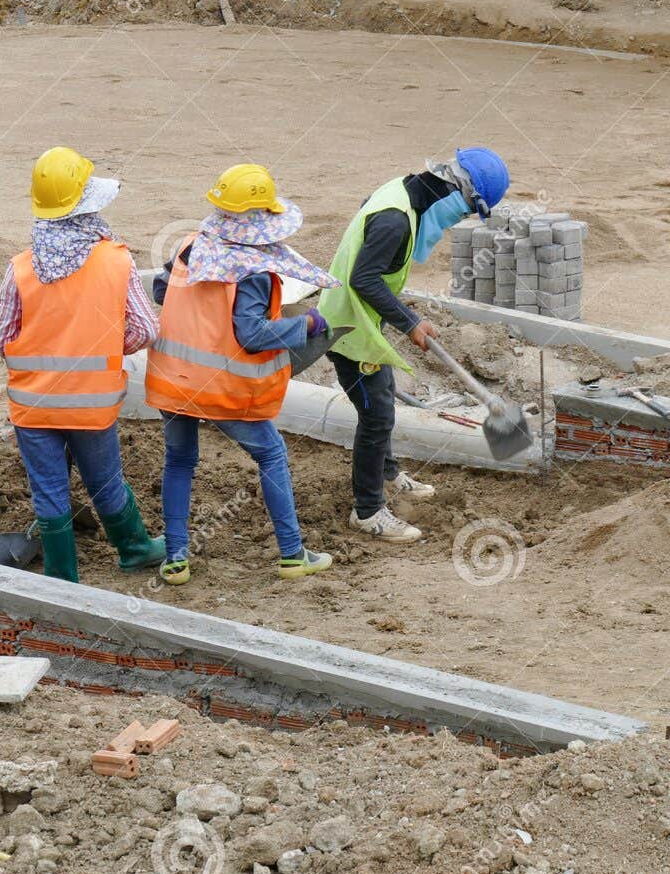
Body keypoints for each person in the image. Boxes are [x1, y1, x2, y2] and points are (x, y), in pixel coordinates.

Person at [145, 164, 339, 584]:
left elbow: (162, 291)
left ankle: (175, 559)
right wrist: (305, 325)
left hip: (174, 379)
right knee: (271, 455)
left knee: (179, 460)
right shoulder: (254, 271)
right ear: (263, 219)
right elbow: (251, 335)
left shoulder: (190, 246)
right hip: (223, 387)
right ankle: (292, 554)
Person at [0, 147, 165, 582]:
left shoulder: (21, 268)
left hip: (33, 405)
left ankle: (61, 576)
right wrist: (105, 346)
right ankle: (134, 548)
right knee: (105, 480)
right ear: (89, 206)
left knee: (49, 491)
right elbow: (146, 329)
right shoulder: (116, 260)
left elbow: (0, 341)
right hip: (92, 403)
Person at [319, 147, 510, 542]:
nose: (457, 220)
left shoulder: (402, 192)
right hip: (349, 330)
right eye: (464, 212)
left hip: (365, 323)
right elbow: (363, 279)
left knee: (384, 398)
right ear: (456, 194)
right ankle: (368, 512)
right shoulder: (395, 220)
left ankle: (388, 473)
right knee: (376, 418)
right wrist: (410, 322)